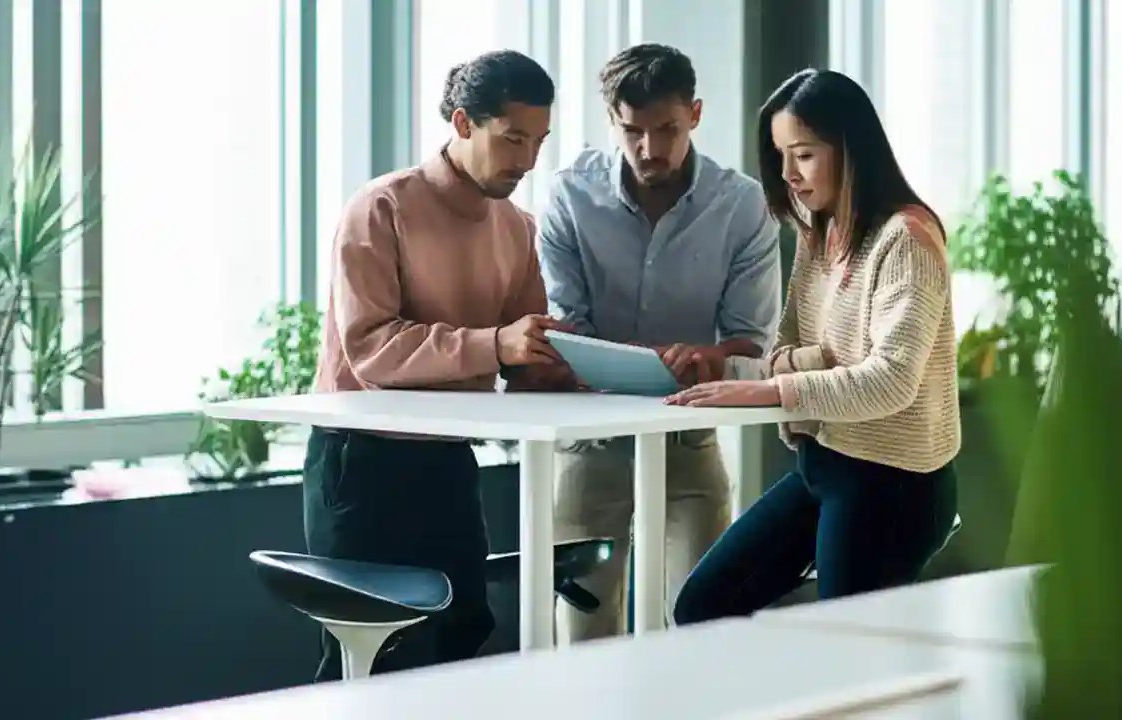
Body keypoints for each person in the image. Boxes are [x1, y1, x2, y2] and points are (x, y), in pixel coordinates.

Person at [304, 49, 570, 681]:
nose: (528, 160)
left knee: (463, 631)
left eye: (538, 141)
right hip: (361, 462)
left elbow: (521, 356)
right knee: (371, 652)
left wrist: (567, 362)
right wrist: (496, 345)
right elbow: (371, 349)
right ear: (461, 123)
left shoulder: (518, 228)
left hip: (448, 459)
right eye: (512, 140)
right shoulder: (380, 210)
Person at [667, 68, 961, 624]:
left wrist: (773, 388)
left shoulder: (907, 240)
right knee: (702, 608)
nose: (788, 175)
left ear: (850, 149)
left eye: (802, 155)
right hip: (824, 465)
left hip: (893, 484)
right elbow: (789, 347)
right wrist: (808, 369)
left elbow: (889, 381)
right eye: (781, 156)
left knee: (851, 658)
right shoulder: (819, 234)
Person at [537, 43, 781, 643]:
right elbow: (567, 325)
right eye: (633, 131)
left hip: (689, 438)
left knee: (704, 618)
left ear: (695, 115)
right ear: (611, 122)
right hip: (589, 445)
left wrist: (711, 357)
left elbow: (751, 338)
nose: (651, 149)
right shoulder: (570, 196)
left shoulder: (742, 204)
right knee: (585, 630)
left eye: (667, 129)